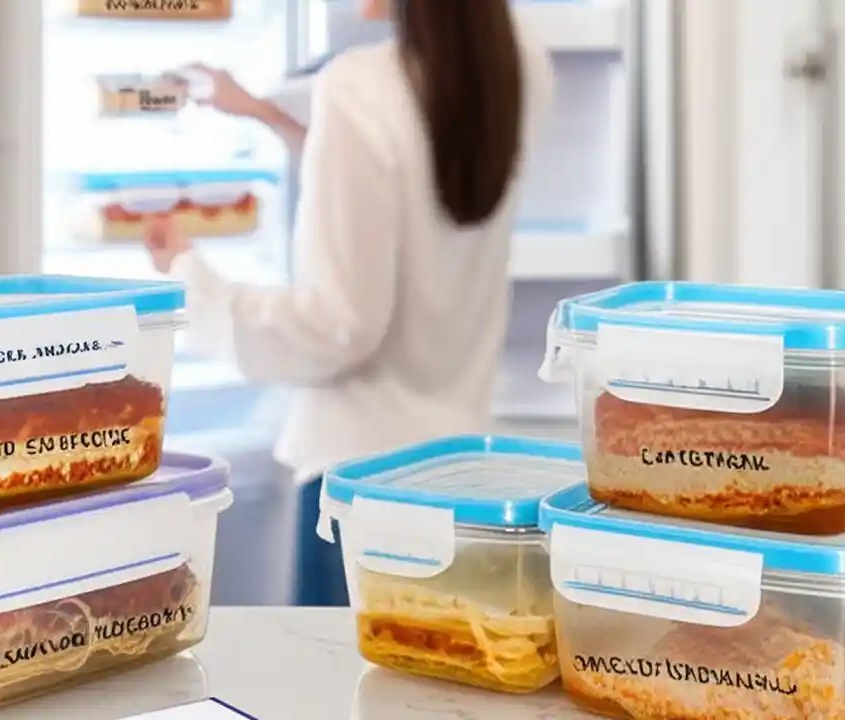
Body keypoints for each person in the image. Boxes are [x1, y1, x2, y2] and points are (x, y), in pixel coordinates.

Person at [145, 0, 553, 606]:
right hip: (459, 475)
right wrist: (263, 114)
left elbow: (336, 327)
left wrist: (187, 277)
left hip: (359, 486)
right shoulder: (514, 68)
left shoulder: (359, 87)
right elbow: (413, 175)